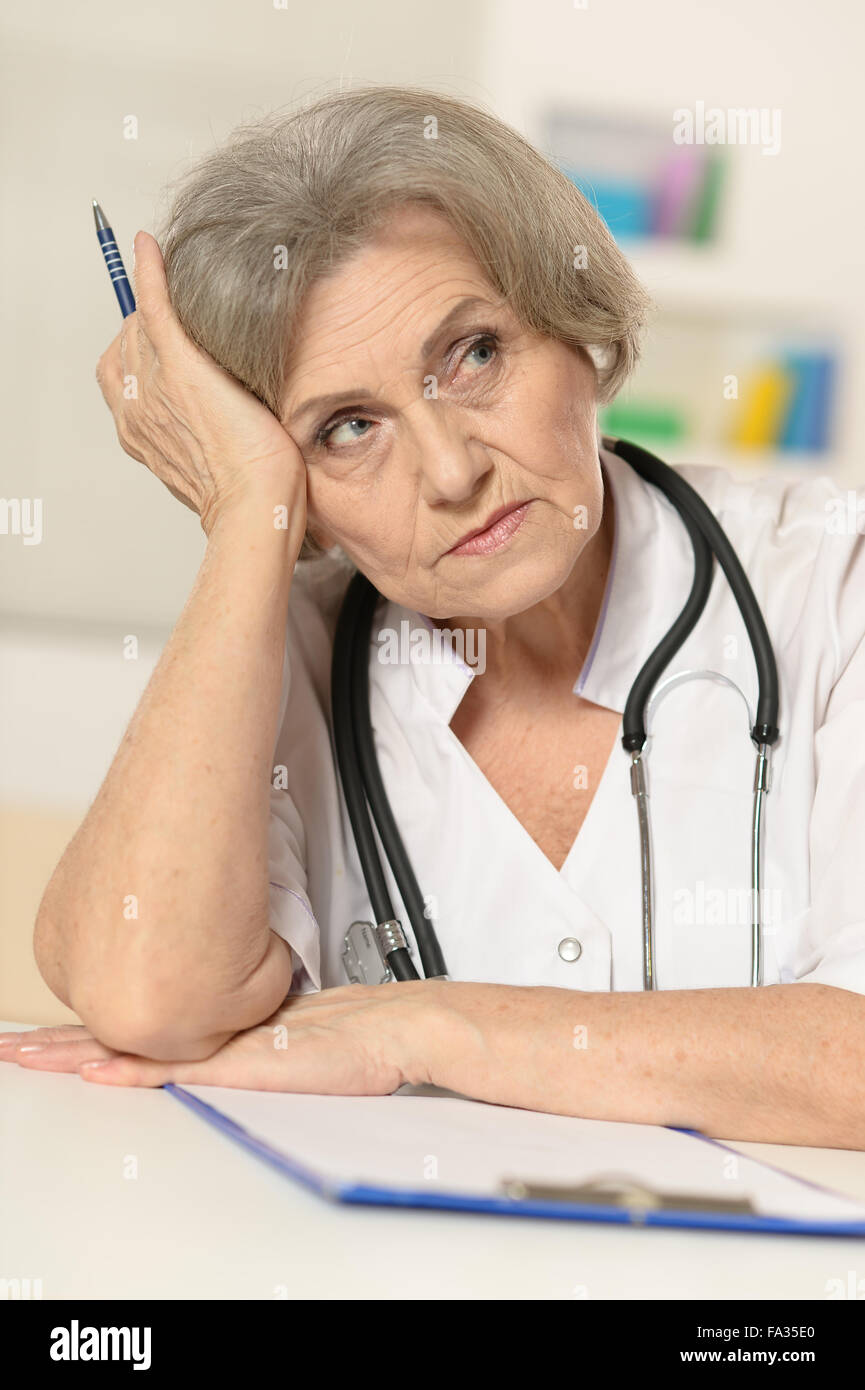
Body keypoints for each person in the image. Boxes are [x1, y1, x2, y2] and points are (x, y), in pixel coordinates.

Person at [5, 88, 865, 1149]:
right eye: (347, 428)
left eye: (473, 355)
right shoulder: (283, 661)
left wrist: (431, 1027)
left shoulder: (830, 582)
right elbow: (147, 998)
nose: (452, 471)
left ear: (575, 325)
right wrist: (244, 520)